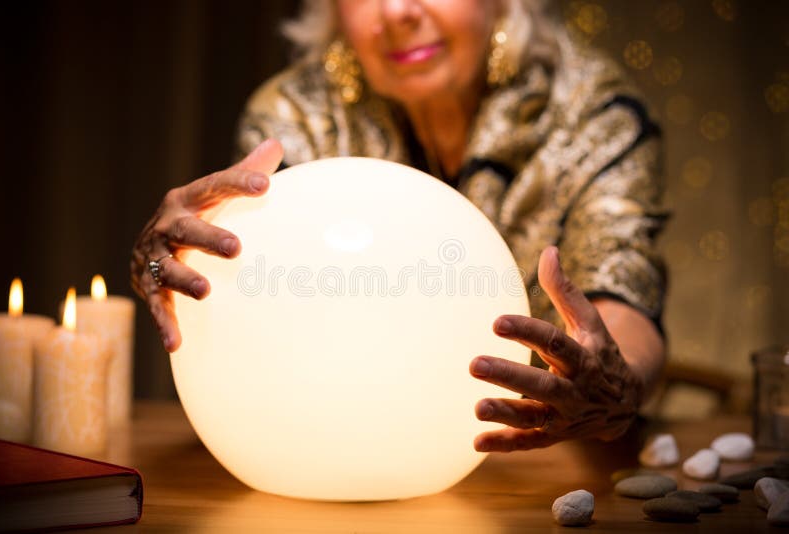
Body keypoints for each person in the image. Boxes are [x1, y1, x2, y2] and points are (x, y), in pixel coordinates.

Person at [130, 0, 667, 453]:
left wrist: (616, 375)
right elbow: (252, 303)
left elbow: (618, 279)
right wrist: (166, 262)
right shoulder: (296, 112)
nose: (395, 12)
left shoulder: (595, 113)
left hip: (546, 462)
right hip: (332, 449)